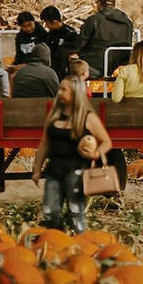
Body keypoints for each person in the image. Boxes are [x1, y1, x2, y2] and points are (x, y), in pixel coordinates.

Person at [32, 77, 112, 233]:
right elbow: (44, 144)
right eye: (59, 89)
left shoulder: (88, 117)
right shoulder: (55, 115)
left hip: (76, 172)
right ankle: (57, 241)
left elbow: (106, 142)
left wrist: (96, 153)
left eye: (64, 89)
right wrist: (37, 169)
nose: (59, 92)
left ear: (76, 93)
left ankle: (81, 243)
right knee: (50, 212)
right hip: (53, 171)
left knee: (76, 212)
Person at [71, 0, 134, 79]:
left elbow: (80, 44)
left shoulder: (94, 20)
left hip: (94, 65)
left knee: (67, 58)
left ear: (99, 3)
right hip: (118, 67)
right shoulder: (128, 22)